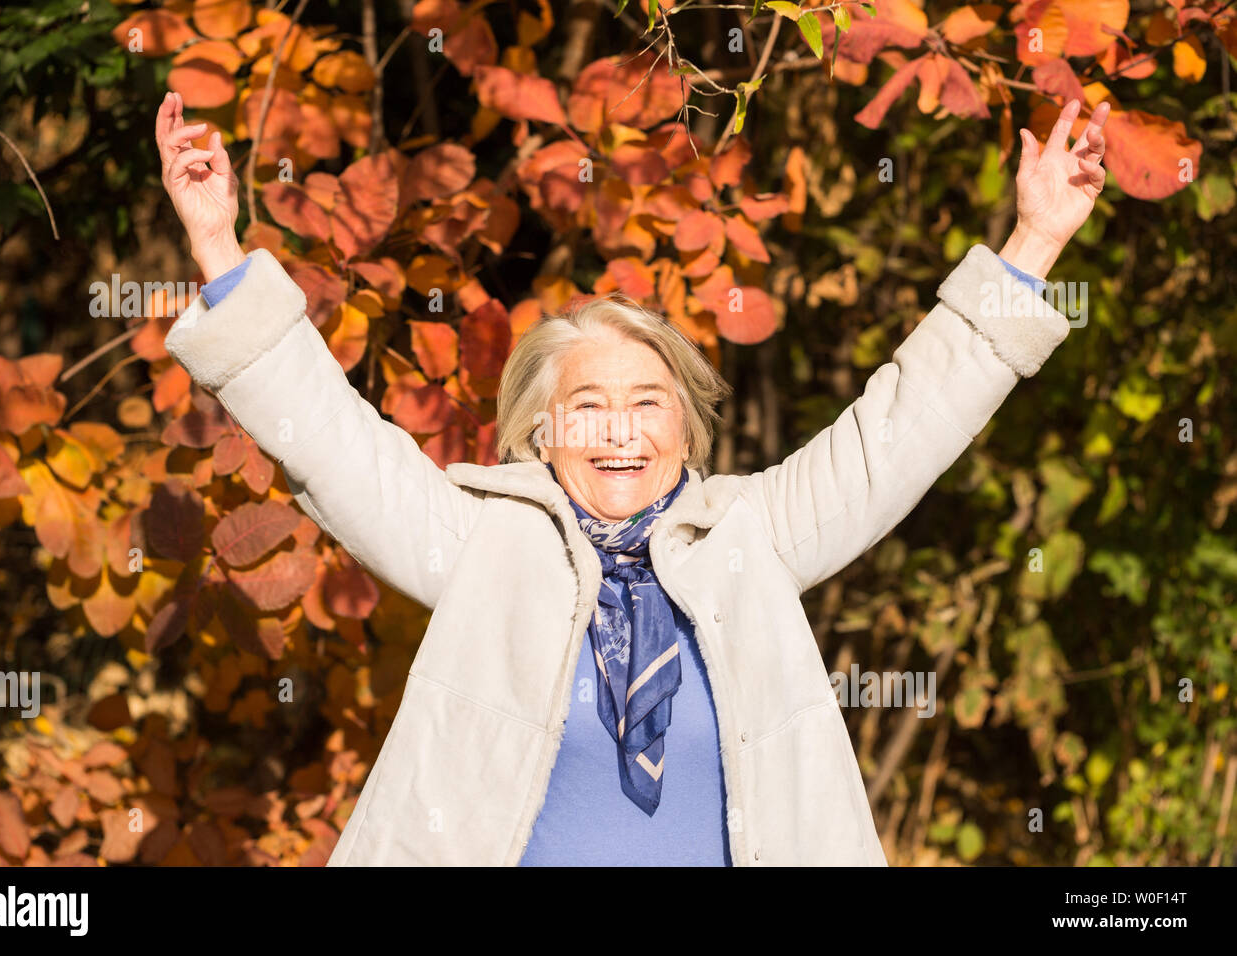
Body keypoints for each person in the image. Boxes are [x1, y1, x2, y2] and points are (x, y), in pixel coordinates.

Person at [154, 90, 1110, 865]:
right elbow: (328, 438)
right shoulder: (485, 542)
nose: (620, 432)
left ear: (688, 426)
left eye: (649, 402)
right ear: (539, 429)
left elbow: (902, 430)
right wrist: (217, 248)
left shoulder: (752, 538)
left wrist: (1032, 247)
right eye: (589, 405)